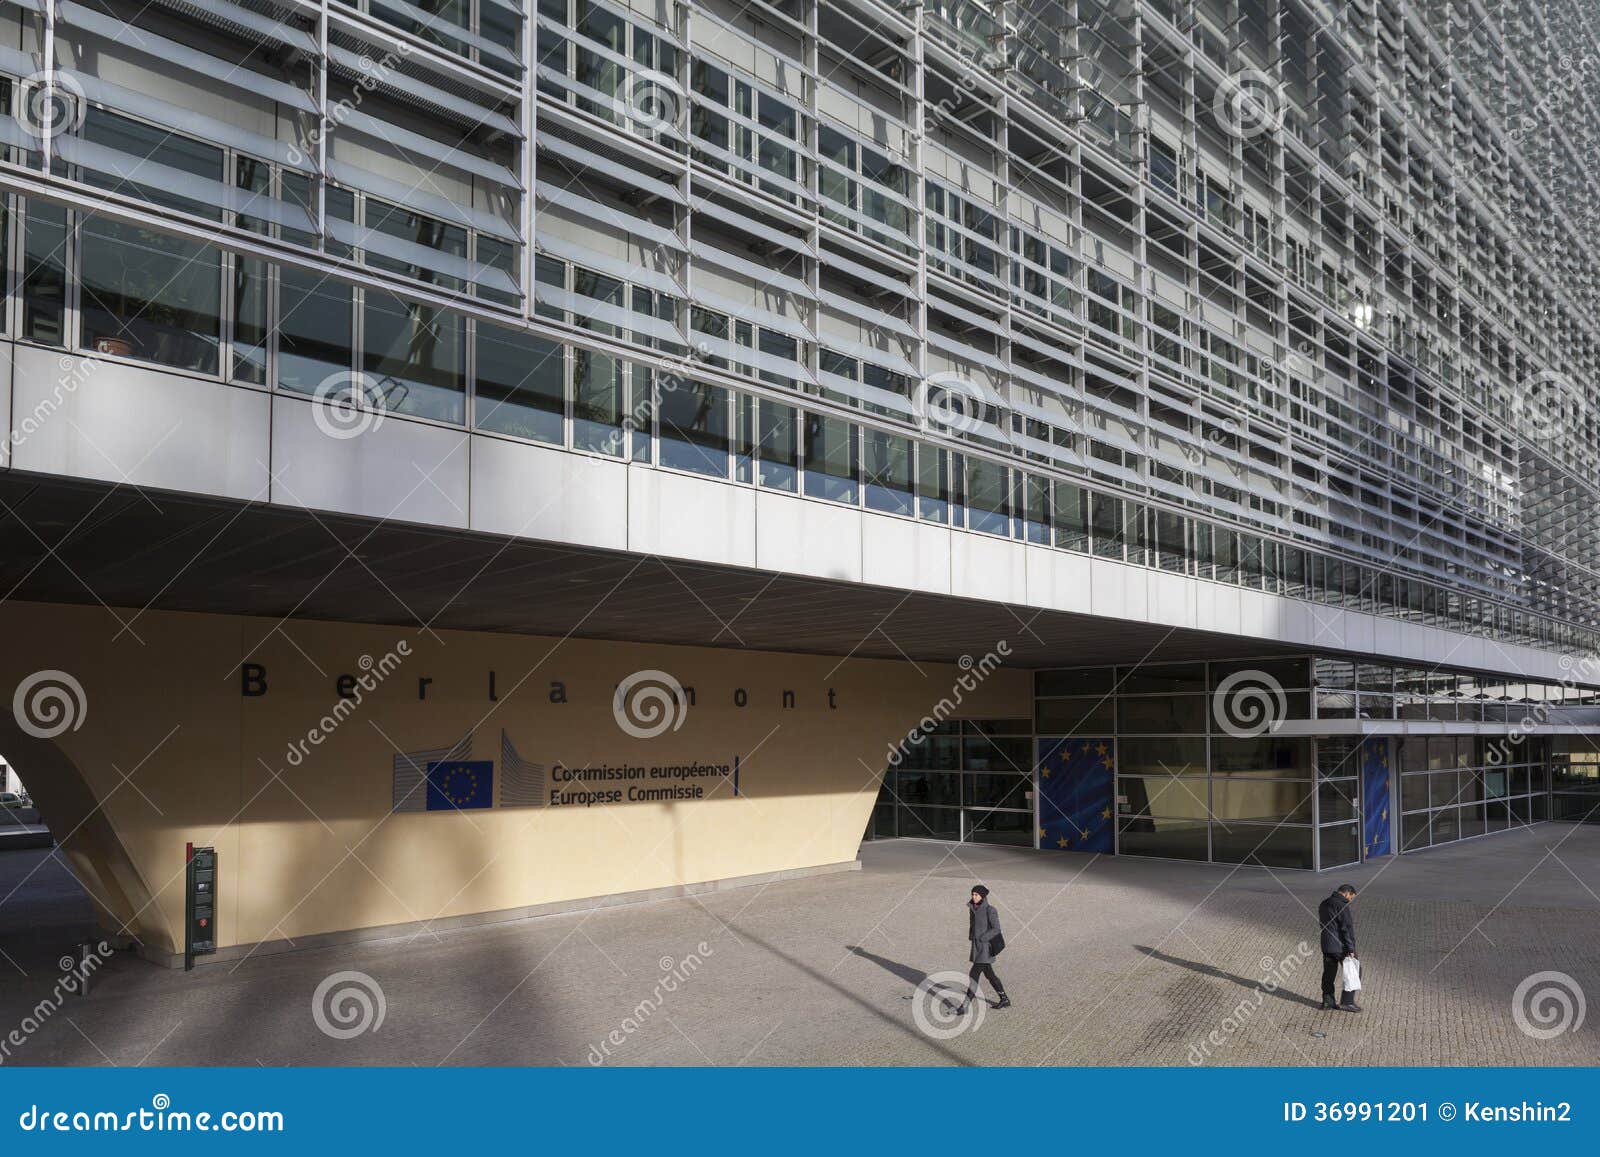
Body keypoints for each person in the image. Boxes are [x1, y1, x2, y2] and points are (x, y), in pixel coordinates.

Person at [955, 885, 1010, 1013]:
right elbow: (972, 923)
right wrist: (971, 935)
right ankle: (1004, 999)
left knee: (973, 974)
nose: (973, 897)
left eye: (976, 895)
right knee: (990, 975)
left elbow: (996, 929)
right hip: (976, 947)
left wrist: (983, 938)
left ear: (983, 896)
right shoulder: (972, 909)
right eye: (972, 894)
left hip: (985, 948)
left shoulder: (990, 910)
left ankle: (965, 1006)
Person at [1317, 883, 1361, 1012]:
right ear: (1347, 893)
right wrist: (1351, 949)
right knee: (1355, 970)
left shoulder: (1324, 903)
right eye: (1351, 897)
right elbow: (1346, 929)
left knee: (1328, 973)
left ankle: (1328, 1001)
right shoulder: (1342, 906)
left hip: (1326, 944)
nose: (1350, 900)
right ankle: (1347, 1002)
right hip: (1340, 946)